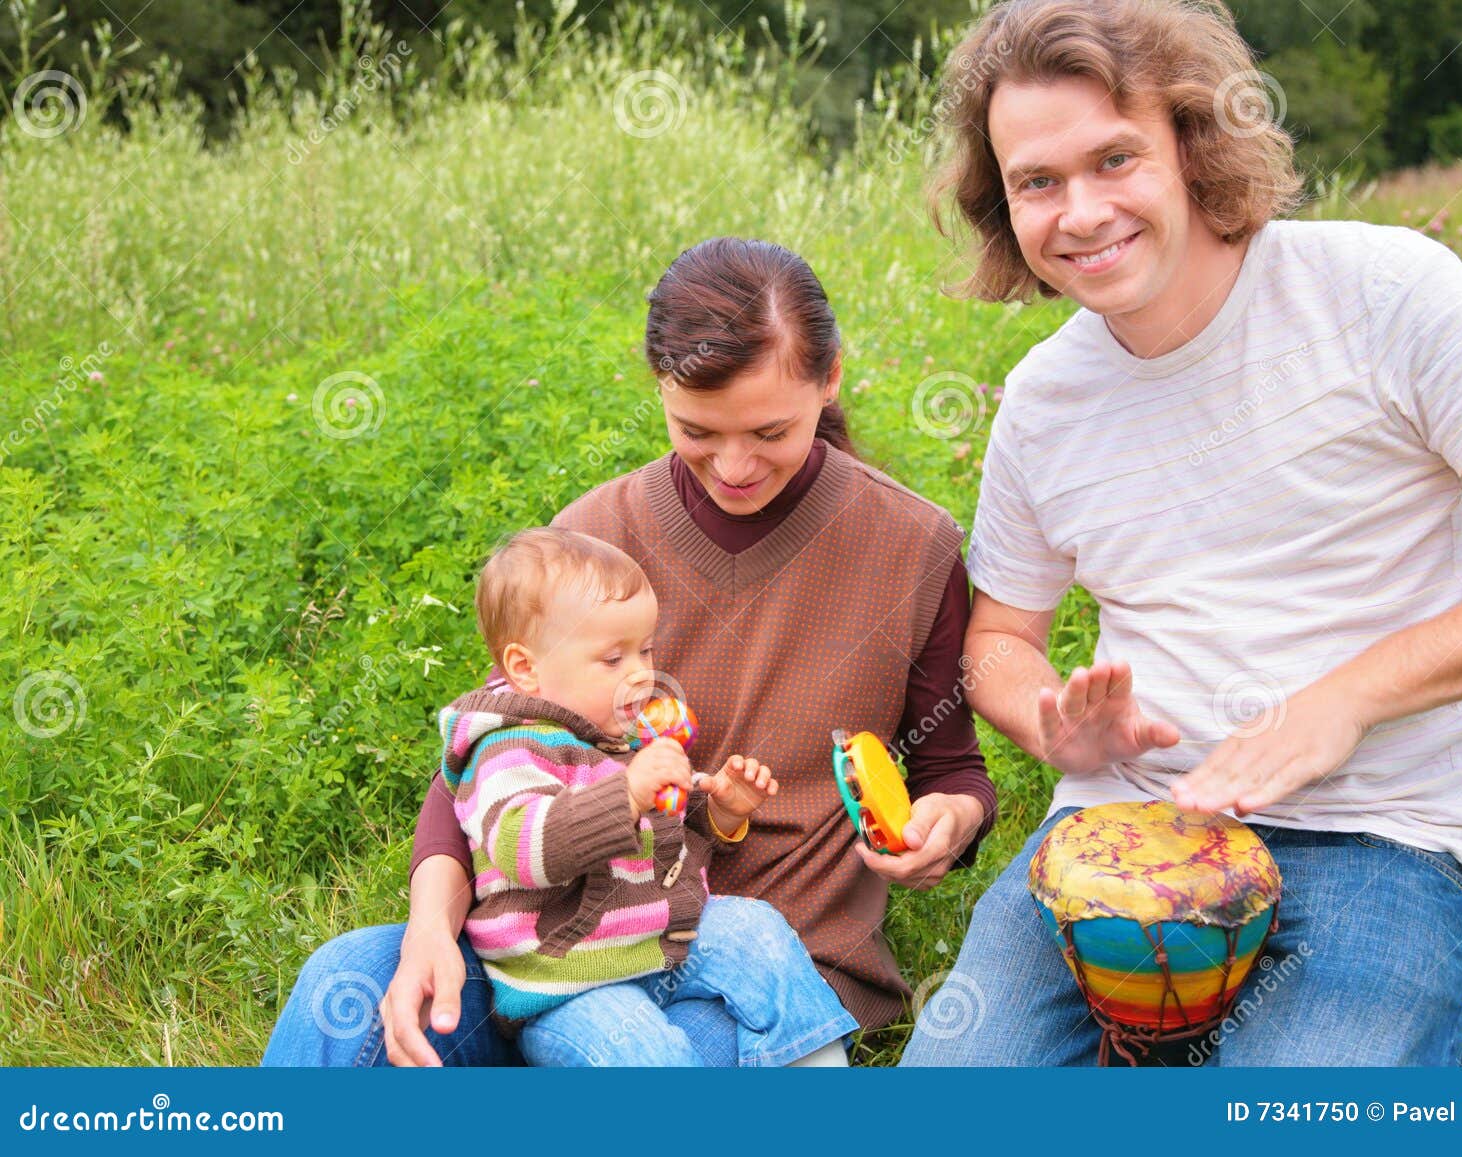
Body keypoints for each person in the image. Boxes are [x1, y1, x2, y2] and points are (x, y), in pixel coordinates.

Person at [904, 0, 1462, 1066]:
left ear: (1191, 142)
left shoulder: (1384, 293)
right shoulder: (1042, 399)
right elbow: (998, 637)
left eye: (1114, 158)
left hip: (1382, 833)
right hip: (1125, 823)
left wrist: (1346, 697)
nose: (1079, 212)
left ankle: (1408, 1018)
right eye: (1037, 182)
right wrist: (1050, 726)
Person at [262, 237, 997, 1067]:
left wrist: (951, 820)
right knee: (346, 987)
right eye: (696, 430)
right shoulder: (595, 539)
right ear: (660, 388)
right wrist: (429, 932)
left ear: (829, 380)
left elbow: (951, 771)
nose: (734, 465)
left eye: (769, 430)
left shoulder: (911, 545)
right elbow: (477, 762)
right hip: (563, 945)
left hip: (760, 969)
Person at [435, 526, 855, 1065]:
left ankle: (815, 1068)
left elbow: (663, 824)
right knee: (643, 1053)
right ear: (525, 669)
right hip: (569, 984)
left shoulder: (621, 734)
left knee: (755, 930)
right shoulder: (509, 747)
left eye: (646, 650)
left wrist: (720, 809)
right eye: (613, 660)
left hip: (659, 943)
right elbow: (524, 849)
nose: (640, 674)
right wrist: (629, 792)